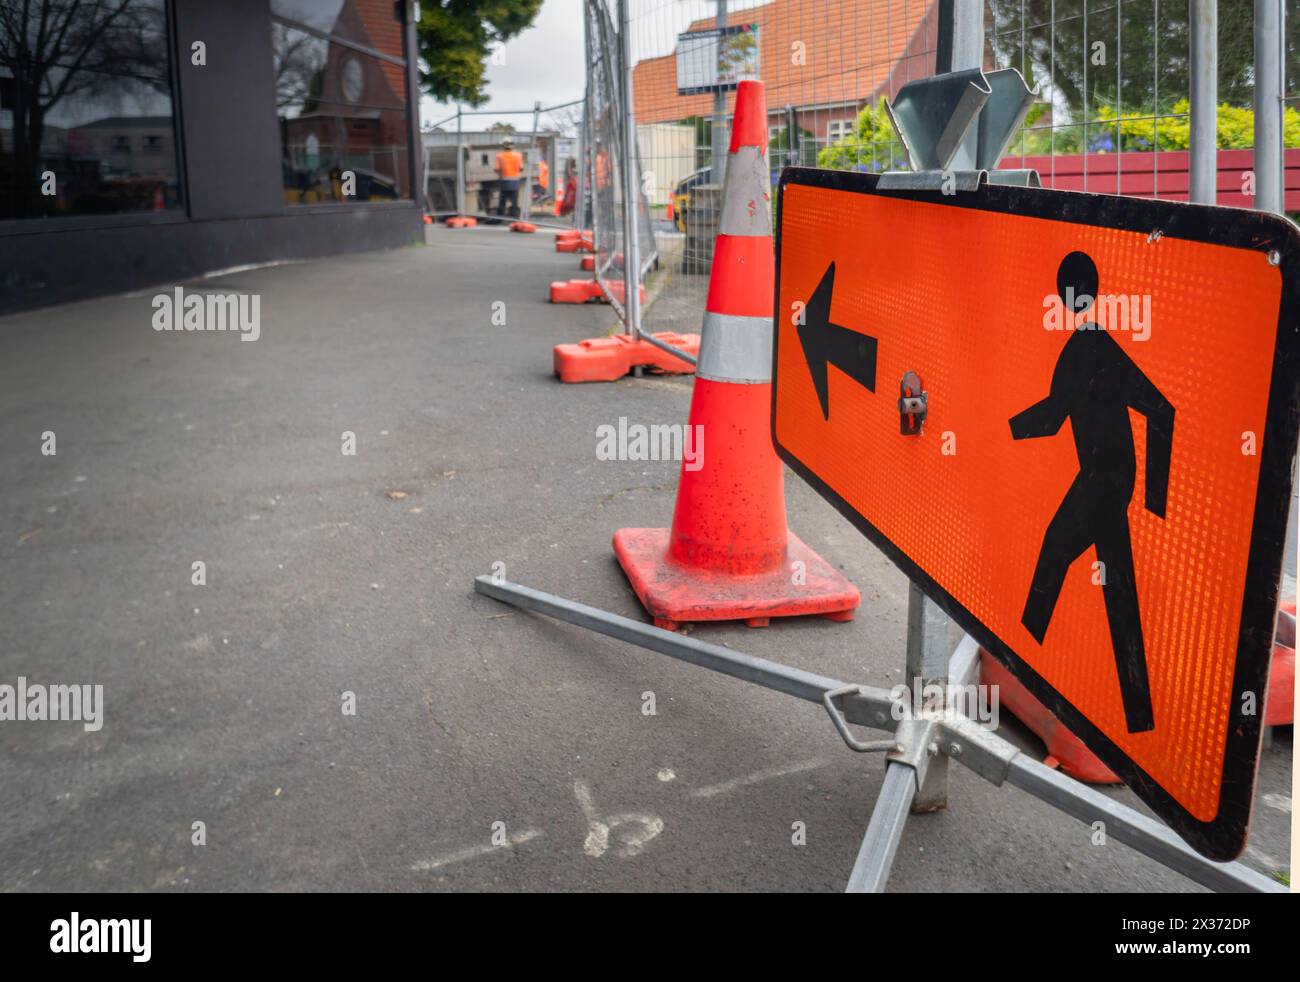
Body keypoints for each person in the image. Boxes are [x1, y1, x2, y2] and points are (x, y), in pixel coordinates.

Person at [1009, 251, 1174, 734]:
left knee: (1062, 555)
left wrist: (1154, 501)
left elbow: (1162, 410)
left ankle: (1024, 658)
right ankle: (1138, 712)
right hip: (1102, 477)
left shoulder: (1096, 345)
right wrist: (1000, 427)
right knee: (1110, 583)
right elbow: (1053, 418)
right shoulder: (1078, 348)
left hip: (1108, 479)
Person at [494, 137, 523, 217]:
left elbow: (497, 169)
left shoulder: (499, 156)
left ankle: (500, 216)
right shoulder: (518, 155)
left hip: (504, 181)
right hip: (515, 181)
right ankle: (515, 216)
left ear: (503, 145)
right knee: (514, 200)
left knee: (502, 200)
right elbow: (521, 168)